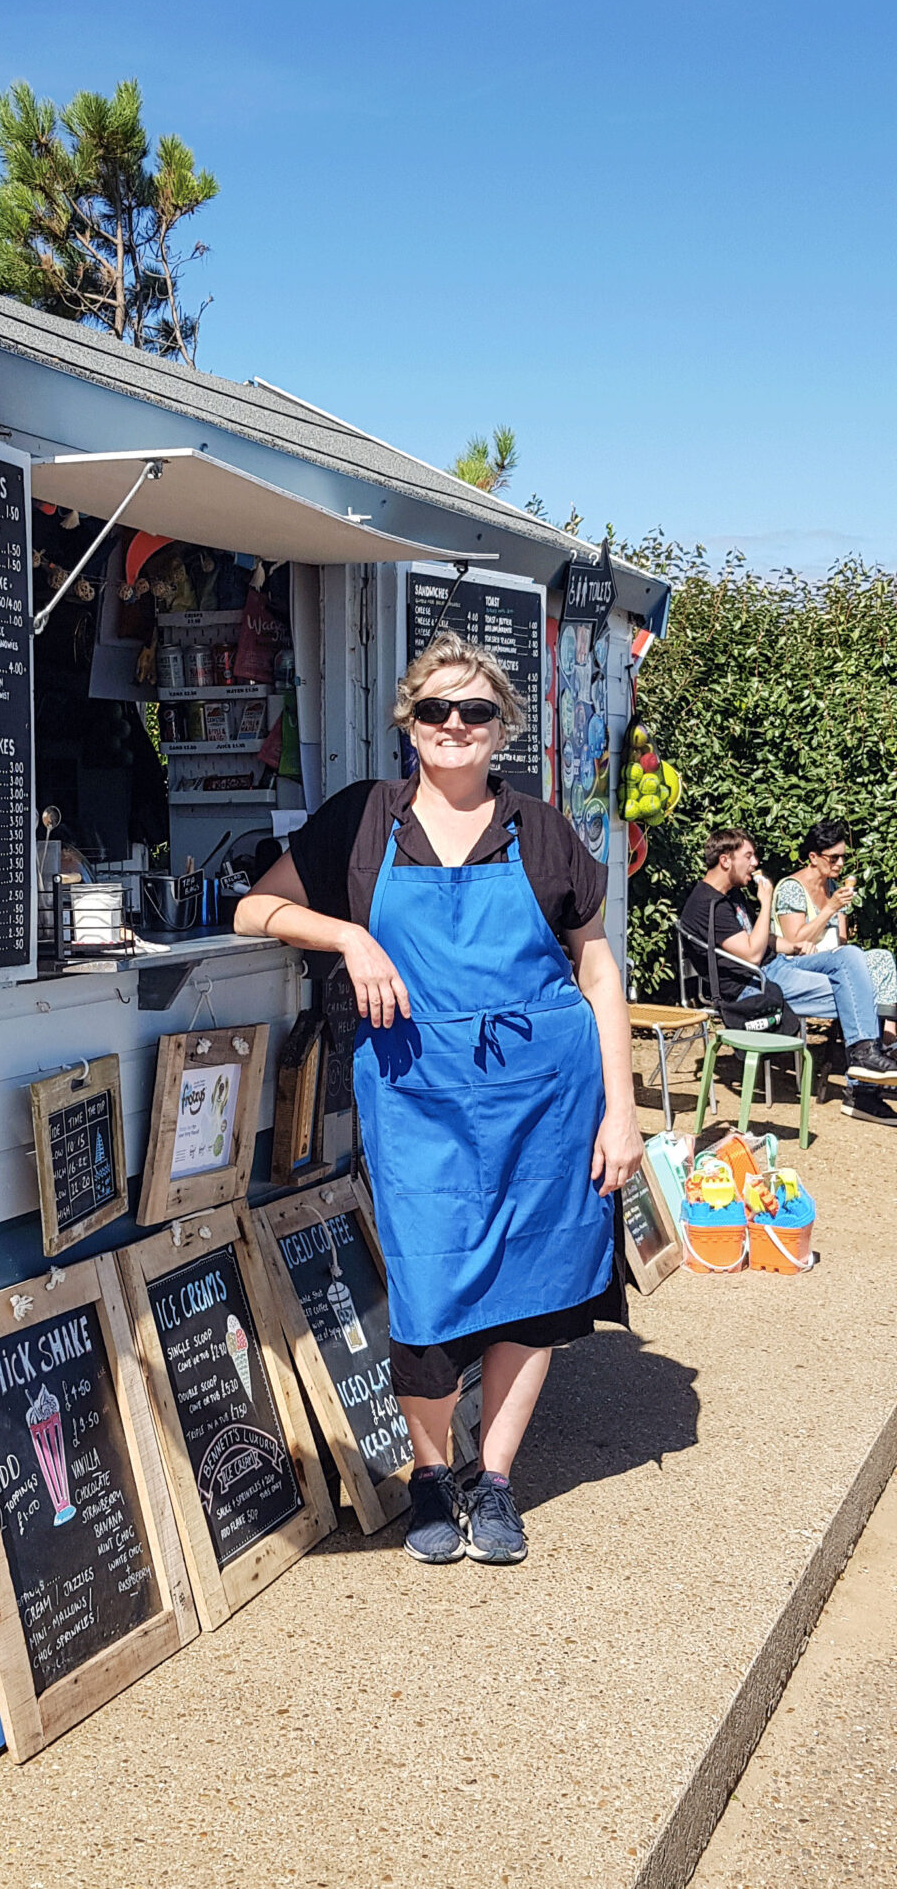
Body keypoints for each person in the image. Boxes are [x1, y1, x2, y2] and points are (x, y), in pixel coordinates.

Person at [235, 632, 641, 1569]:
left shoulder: (539, 830)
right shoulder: (365, 820)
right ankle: (429, 1471)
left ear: (501, 728)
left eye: (475, 712)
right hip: (420, 1097)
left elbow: (597, 966)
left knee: (531, 1295)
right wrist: (346, 936)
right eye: (435, 711)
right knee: (426, 1290)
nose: (455, 726)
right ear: (408, 723)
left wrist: (622, 1112)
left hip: (546, 1097)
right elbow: (254, 908)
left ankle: (493, 1480)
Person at [679, 829, 897, 1086]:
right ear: (725, 860)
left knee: (848, 955)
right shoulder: (707, 905)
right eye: (748, 856)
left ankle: (865, 1057)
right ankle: (862, 1088)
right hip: (757, 984)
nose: (755, 863)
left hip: (777, 966)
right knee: (860, 990)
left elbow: (762, 940)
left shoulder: (731, 895)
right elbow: (751, 953)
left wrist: (794, 946)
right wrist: (766, 901)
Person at [772, 819, 896, 1039]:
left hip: (833, 961)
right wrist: (830, 908)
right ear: (813, 857)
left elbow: (842, 944)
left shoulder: (832, 886)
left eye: (843, 857)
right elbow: (794, 940)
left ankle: (887, 1038)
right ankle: (872, 1045)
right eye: (833, 858)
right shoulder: (792, 888)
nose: (840, 863)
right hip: (799, 964)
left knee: (883, 960)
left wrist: (841, 912)